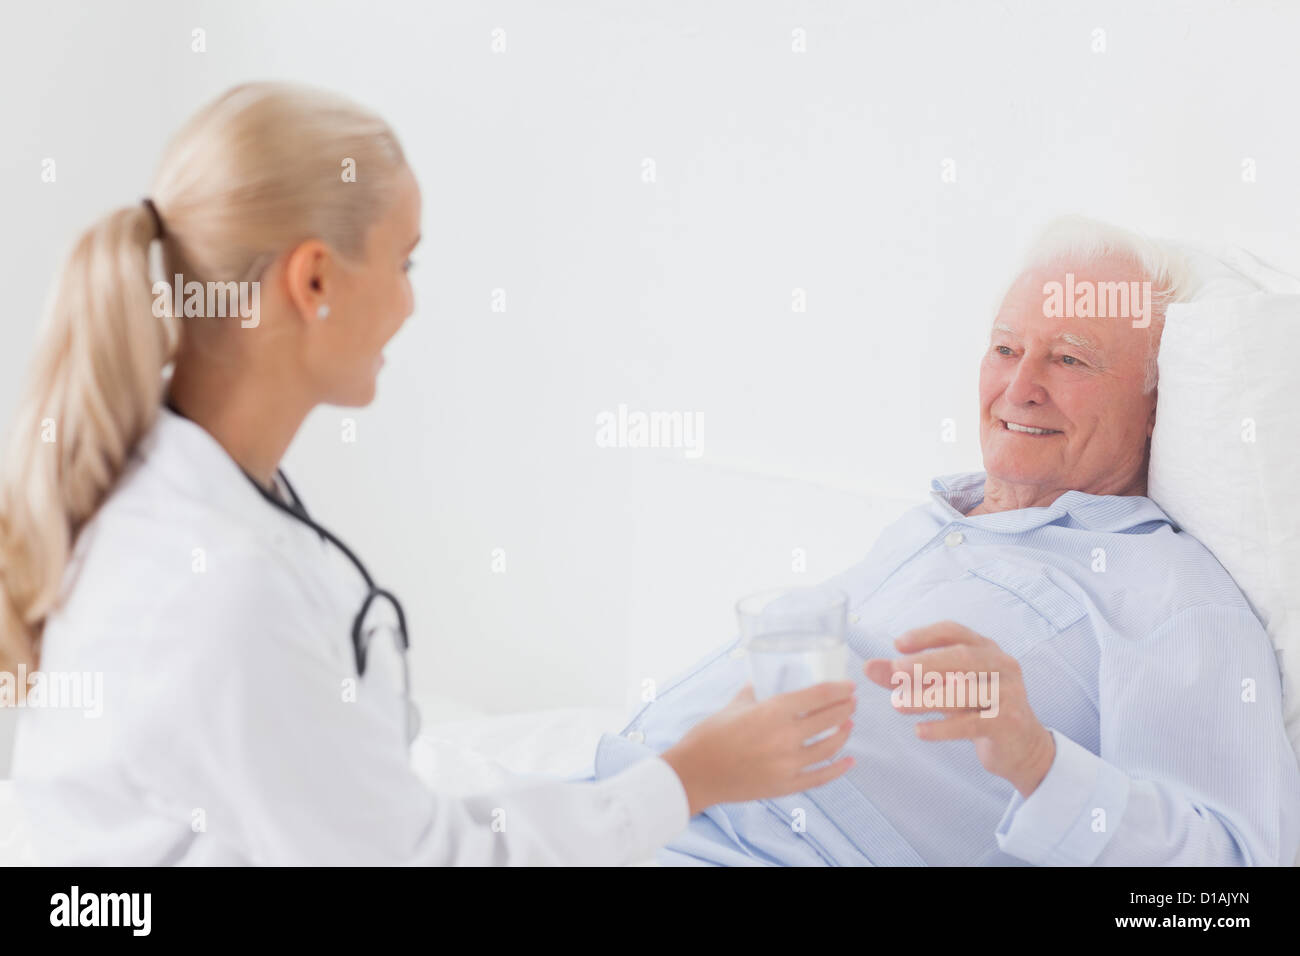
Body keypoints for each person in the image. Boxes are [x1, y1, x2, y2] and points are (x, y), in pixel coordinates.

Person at [0, 82, 856, 866]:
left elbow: (368, 819)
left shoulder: (159, 477)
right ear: (315, 278)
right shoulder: (222, 583)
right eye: (405, 261)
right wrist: (690, 778)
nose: (410, 302)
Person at [589, 216, 1300, 866]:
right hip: (616, 808)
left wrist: (1038, 761)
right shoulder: (930, 526)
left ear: (1155, 405)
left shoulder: (1166, 591)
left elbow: (1224, 893)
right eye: (1006, 348)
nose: (1020, 386)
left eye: (1070, 360)